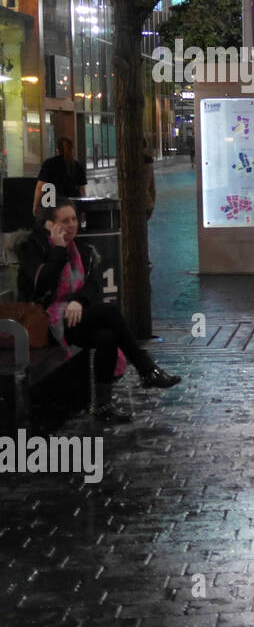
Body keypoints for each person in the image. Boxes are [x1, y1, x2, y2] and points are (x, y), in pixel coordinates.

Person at [17, 198, 182, 423]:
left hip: (73, 319)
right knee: (109, 313)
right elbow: (41, 284)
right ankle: (146, 369)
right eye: (64, 221)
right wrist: (58, 250)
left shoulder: (83, 250)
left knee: (108, 336)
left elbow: (93, 285)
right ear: (50, 225)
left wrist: (79, 301)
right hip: (44, 322)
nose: (72, 225)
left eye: (74, 219)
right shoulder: (33, 249)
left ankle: (102, 406)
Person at [34, 137, 87, 216]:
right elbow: (82, 191)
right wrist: (84, 209)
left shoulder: (49, 163)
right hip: (73, 207)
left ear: (57, 149)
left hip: (54, 206)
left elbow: (40, 187)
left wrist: (35, 205)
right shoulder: (77, 166)